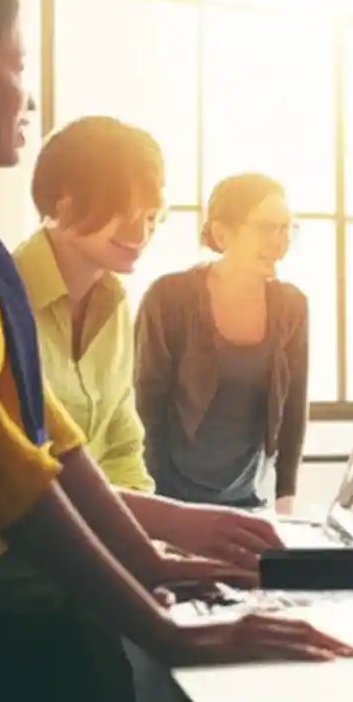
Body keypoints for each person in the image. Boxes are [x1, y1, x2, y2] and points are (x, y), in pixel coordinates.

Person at [0, 0, 353, 699]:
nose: (28, 98)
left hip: (57, 586)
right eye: (13, 66)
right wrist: (162, 610)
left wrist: (159, 558)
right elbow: (5, 470)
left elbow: (59, 439)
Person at [136, 173, 307, 514]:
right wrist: (155, 503)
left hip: (247, 499)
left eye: (287, 228)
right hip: (173, 496)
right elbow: (146, 404)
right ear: (221, 233)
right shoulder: (170, 297)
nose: (280, 241)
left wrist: (286, 495)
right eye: (267, 227)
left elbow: (294, 403)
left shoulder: (291, 305)